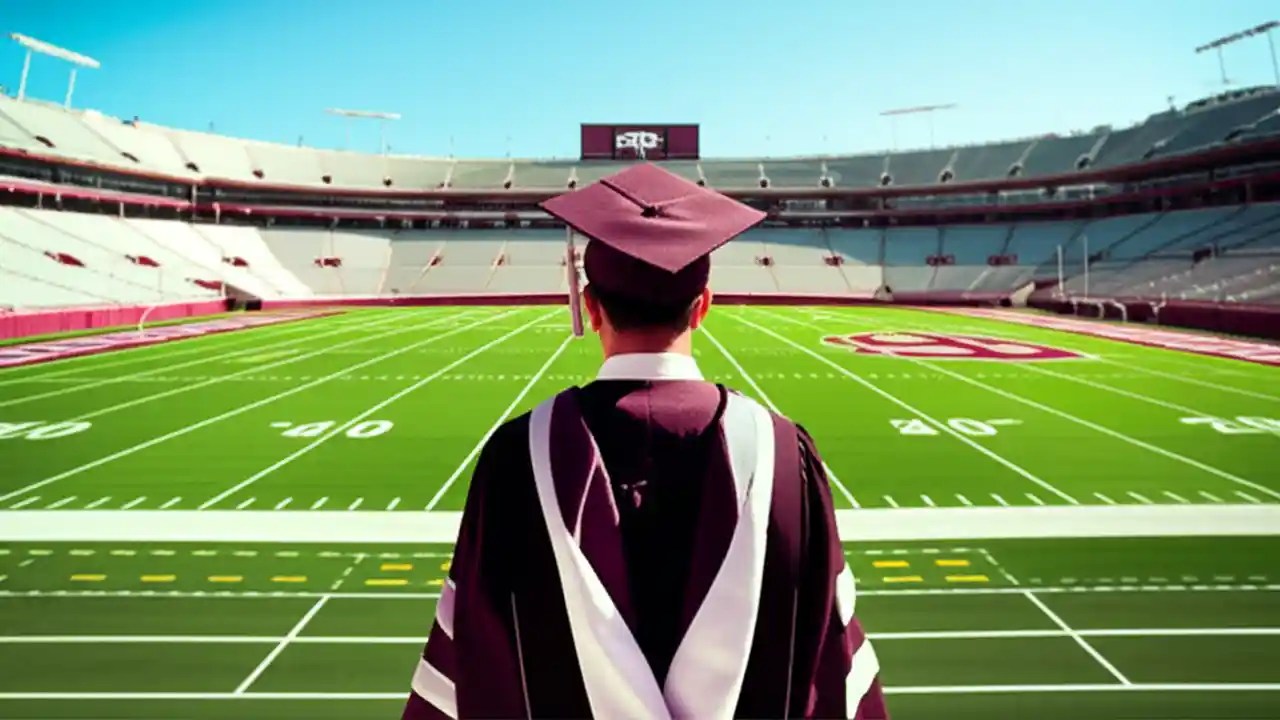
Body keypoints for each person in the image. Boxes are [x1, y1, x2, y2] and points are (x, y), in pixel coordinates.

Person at [401, 163, 887, 719]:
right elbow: (832, 666)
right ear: (703, 307)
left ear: (589, 306)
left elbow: (472, 661)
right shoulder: (781, 457)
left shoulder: (519, 457)